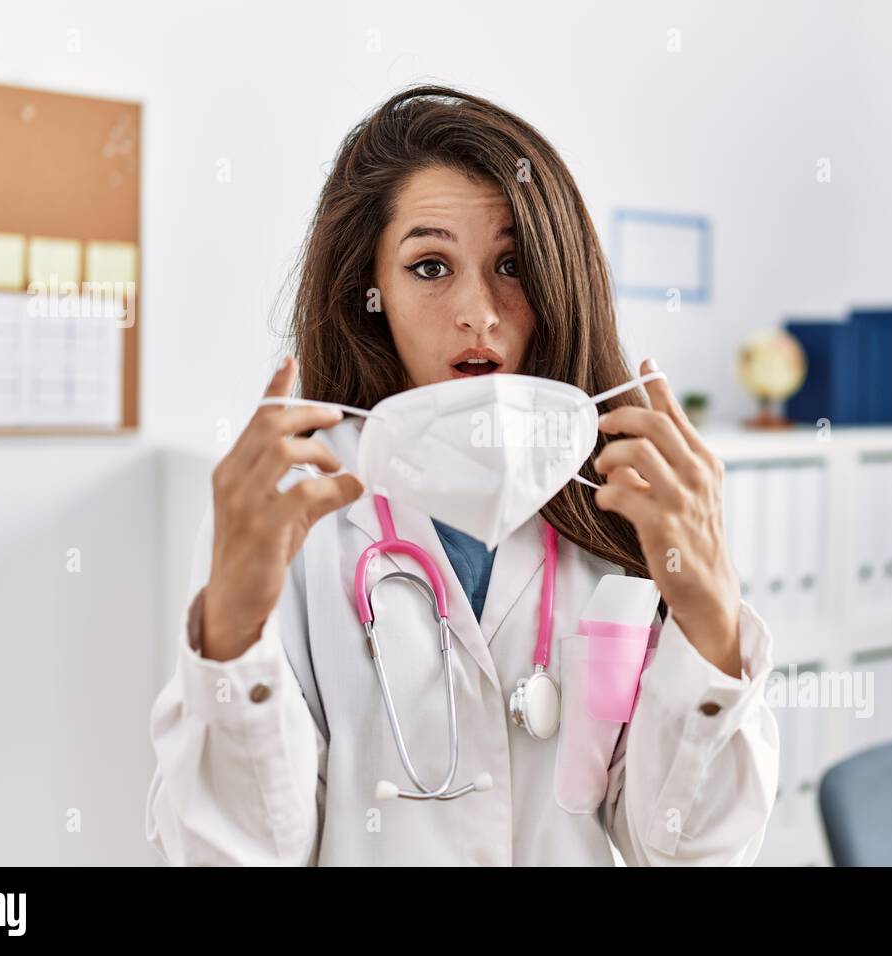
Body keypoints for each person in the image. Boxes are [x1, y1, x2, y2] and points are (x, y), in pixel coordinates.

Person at [145, 85, 778, 866]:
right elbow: (229, 857)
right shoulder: (295, 510)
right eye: (430, 265)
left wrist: (711, 616)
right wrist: (233, 633)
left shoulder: (627, 504)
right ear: (366, 296)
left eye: (512, 264)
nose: (478, 311)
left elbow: (690, 855)